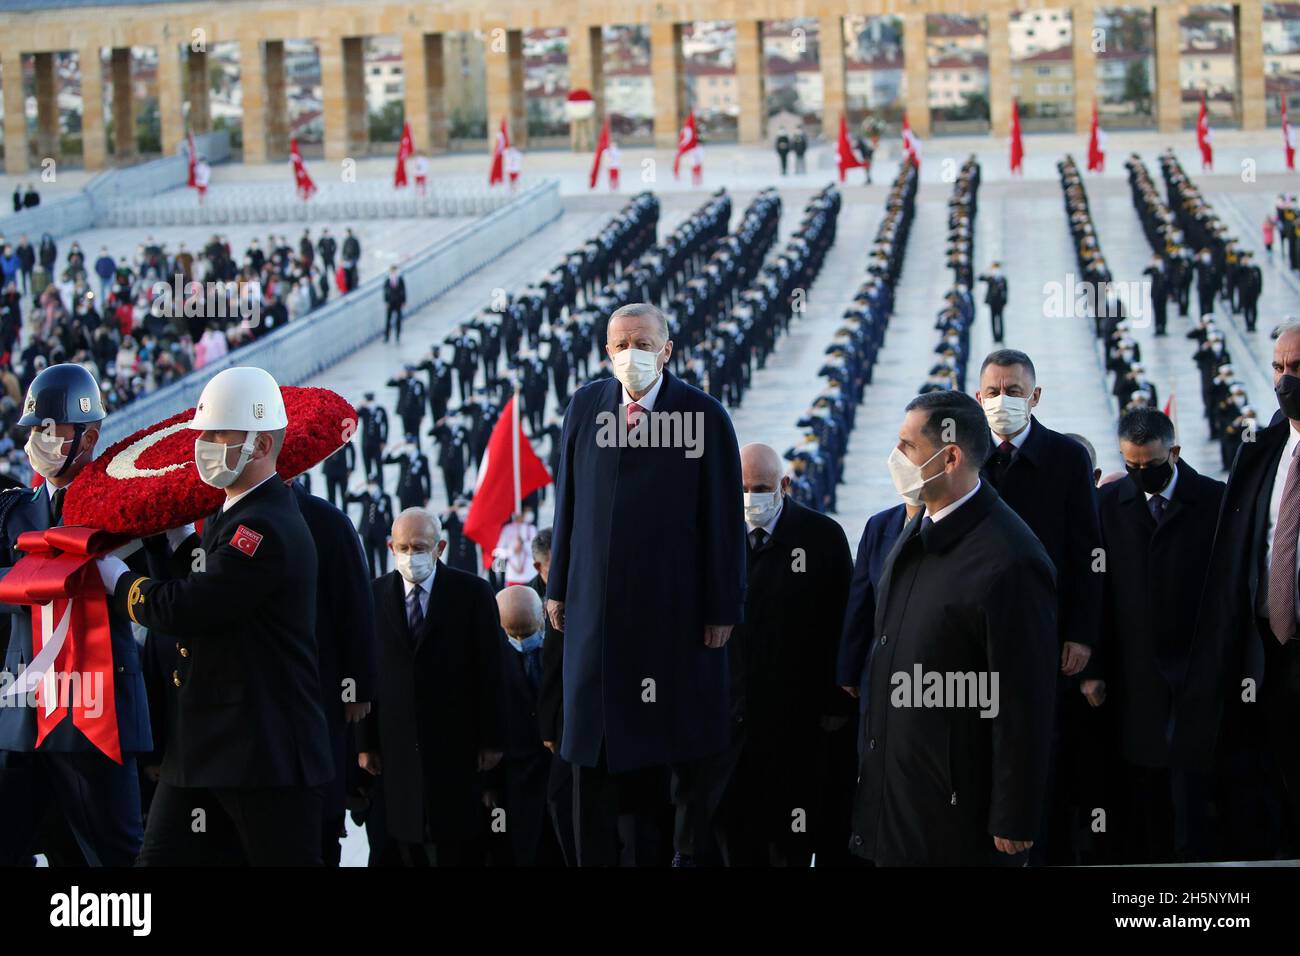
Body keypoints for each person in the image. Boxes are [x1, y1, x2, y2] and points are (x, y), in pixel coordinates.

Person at [95, 366, 333, 865]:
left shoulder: (263, 527)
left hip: (262, 755)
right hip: (209, 748)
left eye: (218, 434)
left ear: (262, 445)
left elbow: (193, 606)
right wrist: (181, 542)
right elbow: (214, 581)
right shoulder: (240, 513)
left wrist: (118, 581)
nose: (202, 445)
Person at [546, 302, 746, 866]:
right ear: (606, 352)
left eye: (643, 342)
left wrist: (722, 606)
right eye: (619, 344)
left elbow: (723, 522)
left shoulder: (702, 416)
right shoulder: (587, 406)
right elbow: (570, 504)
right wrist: (558, 585)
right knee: (590, 760)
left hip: (670, 618)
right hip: (595, 616)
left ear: (667, 349)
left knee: (664, 764)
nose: (631, 354)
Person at [851, 389, 1058, 865]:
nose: (895, 457)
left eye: (907, 446)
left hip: (954, 810)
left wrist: (1014, 815)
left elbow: (1024, 702)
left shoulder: (1011, 559)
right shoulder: (920, 525)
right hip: (901, 792)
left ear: (949, 457)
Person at [0, 364, 151, 866]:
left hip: (100, 710)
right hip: (25, 715)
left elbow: (159, 593)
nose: (36, 441)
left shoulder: (125, 510)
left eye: (49, 429)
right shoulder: (13, 511)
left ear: (89, 436)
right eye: (32, 430)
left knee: (114, 859)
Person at [1176, 322, 1300, 860]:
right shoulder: (1267, 449)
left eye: (1298, 368)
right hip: (1265, 650)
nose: (1285, 380)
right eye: (1278, 368)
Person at [696, 442, 852, 866]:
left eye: (761, 487)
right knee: (734, 840)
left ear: (784, 485)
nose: (750, 498)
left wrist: (836, 704)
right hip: (730, 731)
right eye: (742, 488)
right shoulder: (713, 539)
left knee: (791, 843)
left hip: (796, 729)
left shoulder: (821, 538)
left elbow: (843, 626)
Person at [976, 348, 1102, 865]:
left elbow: (1088, 552)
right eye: (992, 391)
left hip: (1043, 631)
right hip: (977, 632)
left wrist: (1081, 631)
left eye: (1013, 390)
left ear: (1036, 395)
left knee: (1039, 745)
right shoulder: (967, 453)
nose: (1002, 400)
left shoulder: (1065, 457)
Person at [1092, 409, 1223, 864]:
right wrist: (1093, 668)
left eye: (1150, 465)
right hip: (1136, 673)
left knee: (1199, 790)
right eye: (1131, 466)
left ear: (1175, 452)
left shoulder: (1216, 501)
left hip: (1198, 671)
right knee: (1145, 792)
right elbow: (1095, 593)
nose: (1140, 474)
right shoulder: (1108, 506)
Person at [356, 507, 504, 866]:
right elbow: (362, 674)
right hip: (395, 747)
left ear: (440, 547)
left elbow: (491, 672)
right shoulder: (372, 595)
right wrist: (365, 743)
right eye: (403, 547)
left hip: (456, 743)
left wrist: (492, 739)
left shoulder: (473, 593)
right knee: (402, 841)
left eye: (420, 547)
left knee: (457, 839)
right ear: (391, 547)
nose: (411, 555)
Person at [290, 480, 377, 867]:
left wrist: (357, 686)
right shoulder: (223, 518)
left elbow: (355, 606)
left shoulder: (326, 521)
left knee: (322, 810)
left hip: (322, 684)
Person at [490, 585, 563, 866]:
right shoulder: (492, 661)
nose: (521, 640)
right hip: (514, 781)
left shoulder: (560, 653)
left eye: (527, 631)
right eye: (513, 633)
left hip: (556, 772)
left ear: (541, 617)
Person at [347, 480, 394, 576]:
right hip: (367, 532)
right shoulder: (365, 495)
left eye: (373, 484)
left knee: (383, 562)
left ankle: (384, 582)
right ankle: (372, 584)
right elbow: (349, 499)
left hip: (381, 533)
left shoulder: (385, 497)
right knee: (369, 561)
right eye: (370, 484)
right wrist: (354, 488)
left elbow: (390, 517)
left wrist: (390, 533)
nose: (371, 486)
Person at [356, 392, 388, 490]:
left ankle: (381, 487)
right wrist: (359, 406)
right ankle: (369, 486)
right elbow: (353, 417)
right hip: (366, 442)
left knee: (379, 465)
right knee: (367, 466)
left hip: (377, 442)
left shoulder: (380, 410)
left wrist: (384, 440)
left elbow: (386, 425)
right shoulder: (364, 410)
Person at [978, 263, 1008, 344]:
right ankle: (995, 337)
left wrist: (1005, 301)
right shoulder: (990, 278)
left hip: (1000, 302)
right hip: (992, 302)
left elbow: (1006, 291)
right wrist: (987, 270)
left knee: (1000, 319)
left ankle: (1001, 336)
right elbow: (980, 278)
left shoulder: (1002, 279)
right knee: (993, 319)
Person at [383, 265, 406, 345]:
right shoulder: (387, 280)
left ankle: (397, 336)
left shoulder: (400, 280)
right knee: (388, 320)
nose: (394, 273)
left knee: (398, 319)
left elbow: (403, 291)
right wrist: (386, 302)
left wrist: (403, 301)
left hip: (398, 302)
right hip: (390, 303)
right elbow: (385, 292)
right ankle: (387, 336)